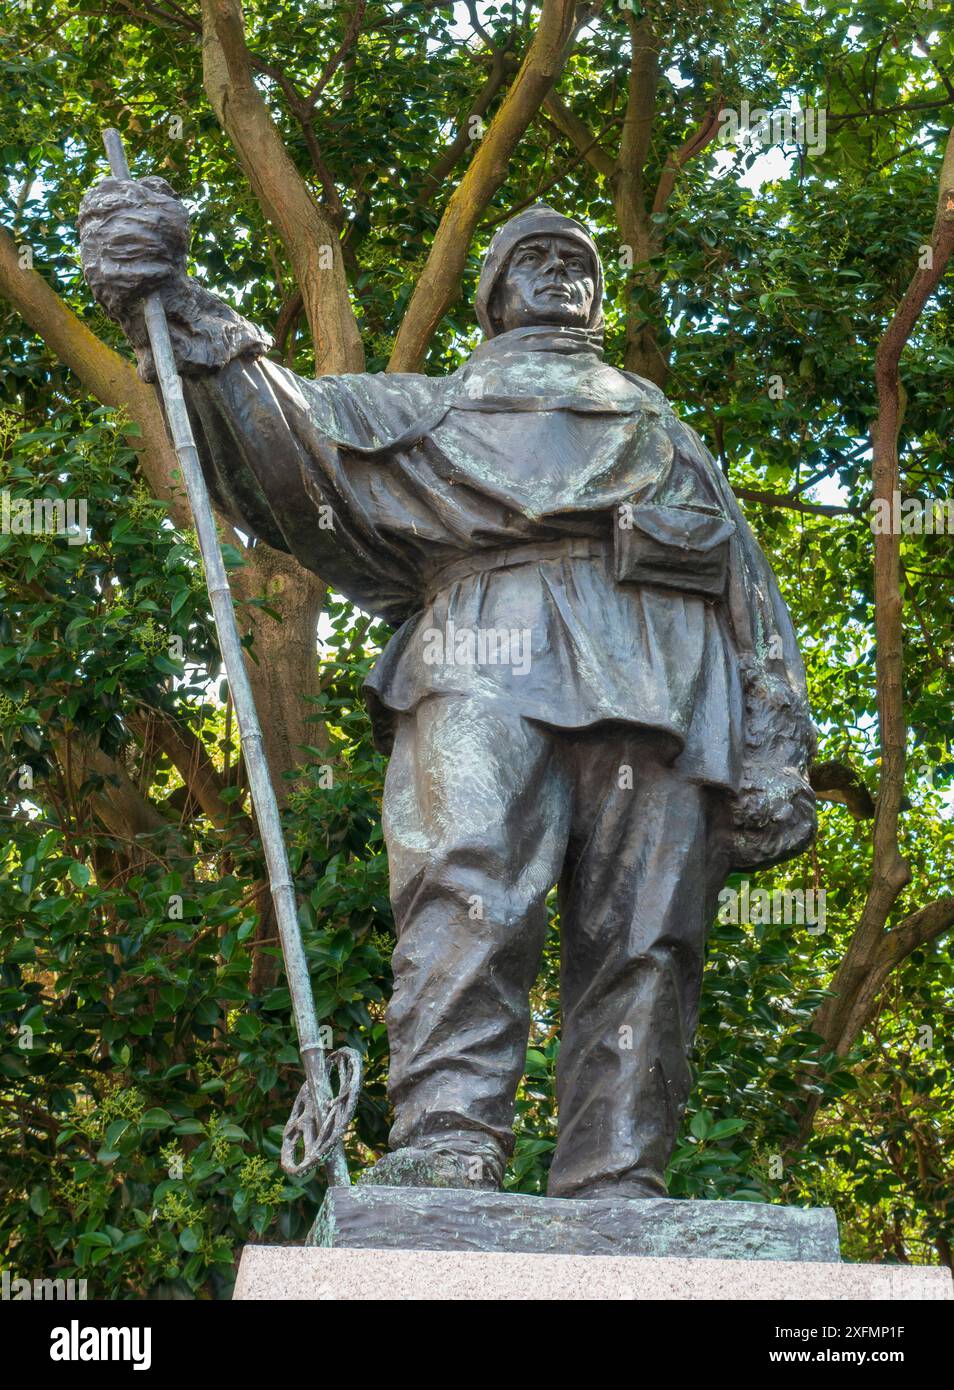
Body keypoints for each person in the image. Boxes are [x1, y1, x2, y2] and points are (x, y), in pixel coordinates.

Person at [79, 180, 816, 1199]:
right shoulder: (422, 408)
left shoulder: (666, 432)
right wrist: (169, 301)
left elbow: (750, 593)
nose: (562, 272)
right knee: (465, 891)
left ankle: (617, 1167)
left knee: (650, 931)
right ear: (494, 298)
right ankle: (448, 1138)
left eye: (579, 263)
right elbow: (282, 434)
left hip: (665, 680)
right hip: (484, 652)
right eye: (536, 259)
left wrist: (778, 747)